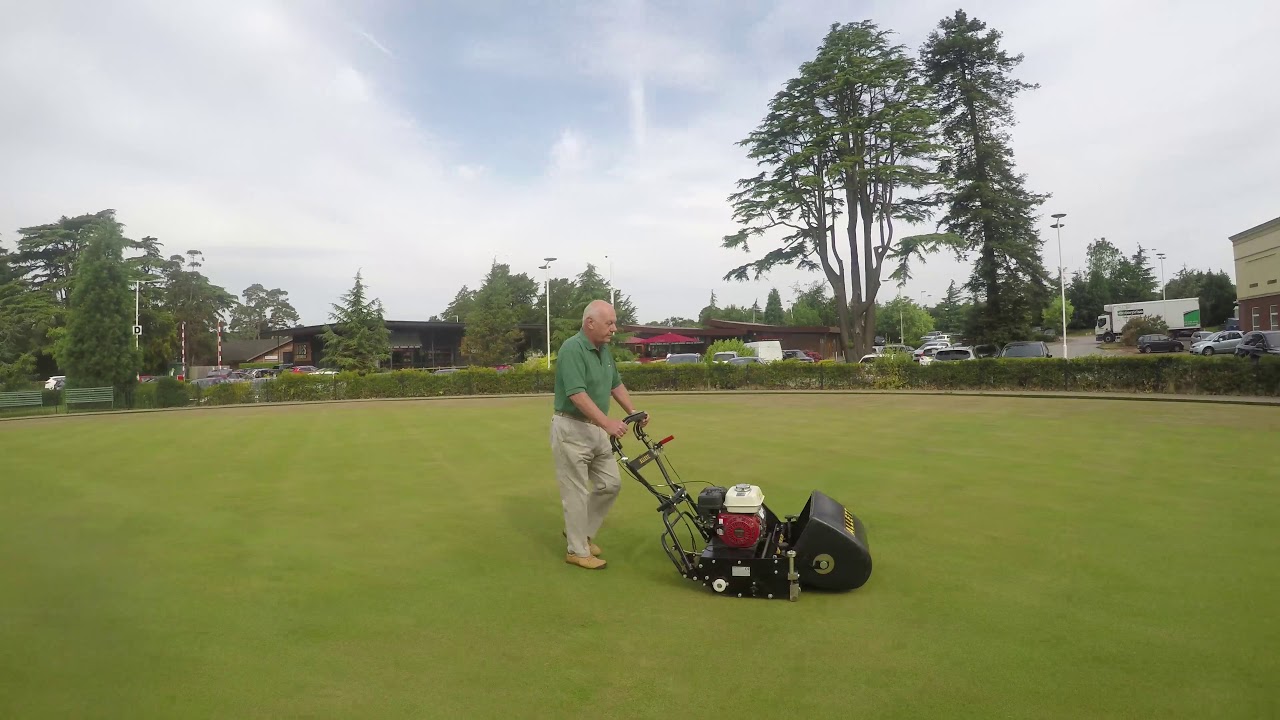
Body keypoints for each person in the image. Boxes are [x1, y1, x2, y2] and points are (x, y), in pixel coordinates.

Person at [551, 299, 648, 570]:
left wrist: (633, 411)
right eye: (609, 323)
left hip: (595, 429)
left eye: (614, 323)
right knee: (576, 492)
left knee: (610, 484)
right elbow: (576, 394)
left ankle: (580, 533)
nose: (614, 328)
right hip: (571, 428)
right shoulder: (572, 348)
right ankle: (577, 551)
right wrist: (607, 423)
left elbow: (615, 384)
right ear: (590, 323)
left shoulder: (604, 351)